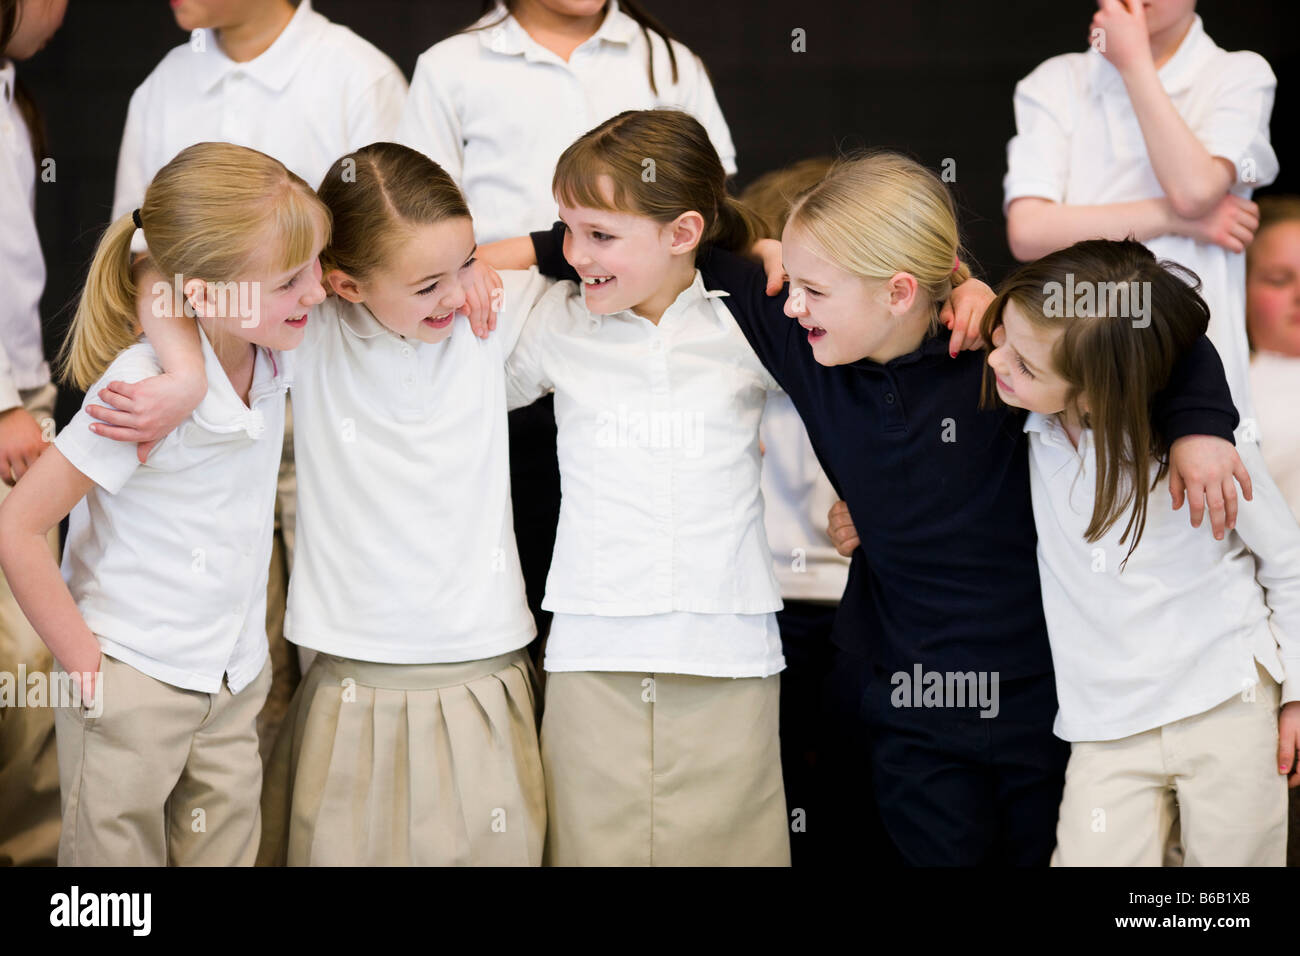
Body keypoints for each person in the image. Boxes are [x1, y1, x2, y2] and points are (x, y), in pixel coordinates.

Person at [0, 141, 329, 865]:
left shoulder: (274, 346)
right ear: (207, 295)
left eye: (317, 268)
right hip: (133, 678)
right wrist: (86, 666)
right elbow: (18, 525)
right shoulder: (140, 390)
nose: (317, 292)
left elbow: (150, 242)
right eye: (290, 281)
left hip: (233, 679)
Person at [981, 238, 1299, 865]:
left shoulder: (1207, 451)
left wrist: (1297, 693)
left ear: (1099, 392)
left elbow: (1288, 566)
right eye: (1002, 338)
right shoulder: (1029, 425)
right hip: (1104, 726)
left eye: (1024, 364)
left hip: (1227, 702)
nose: (997, 363)